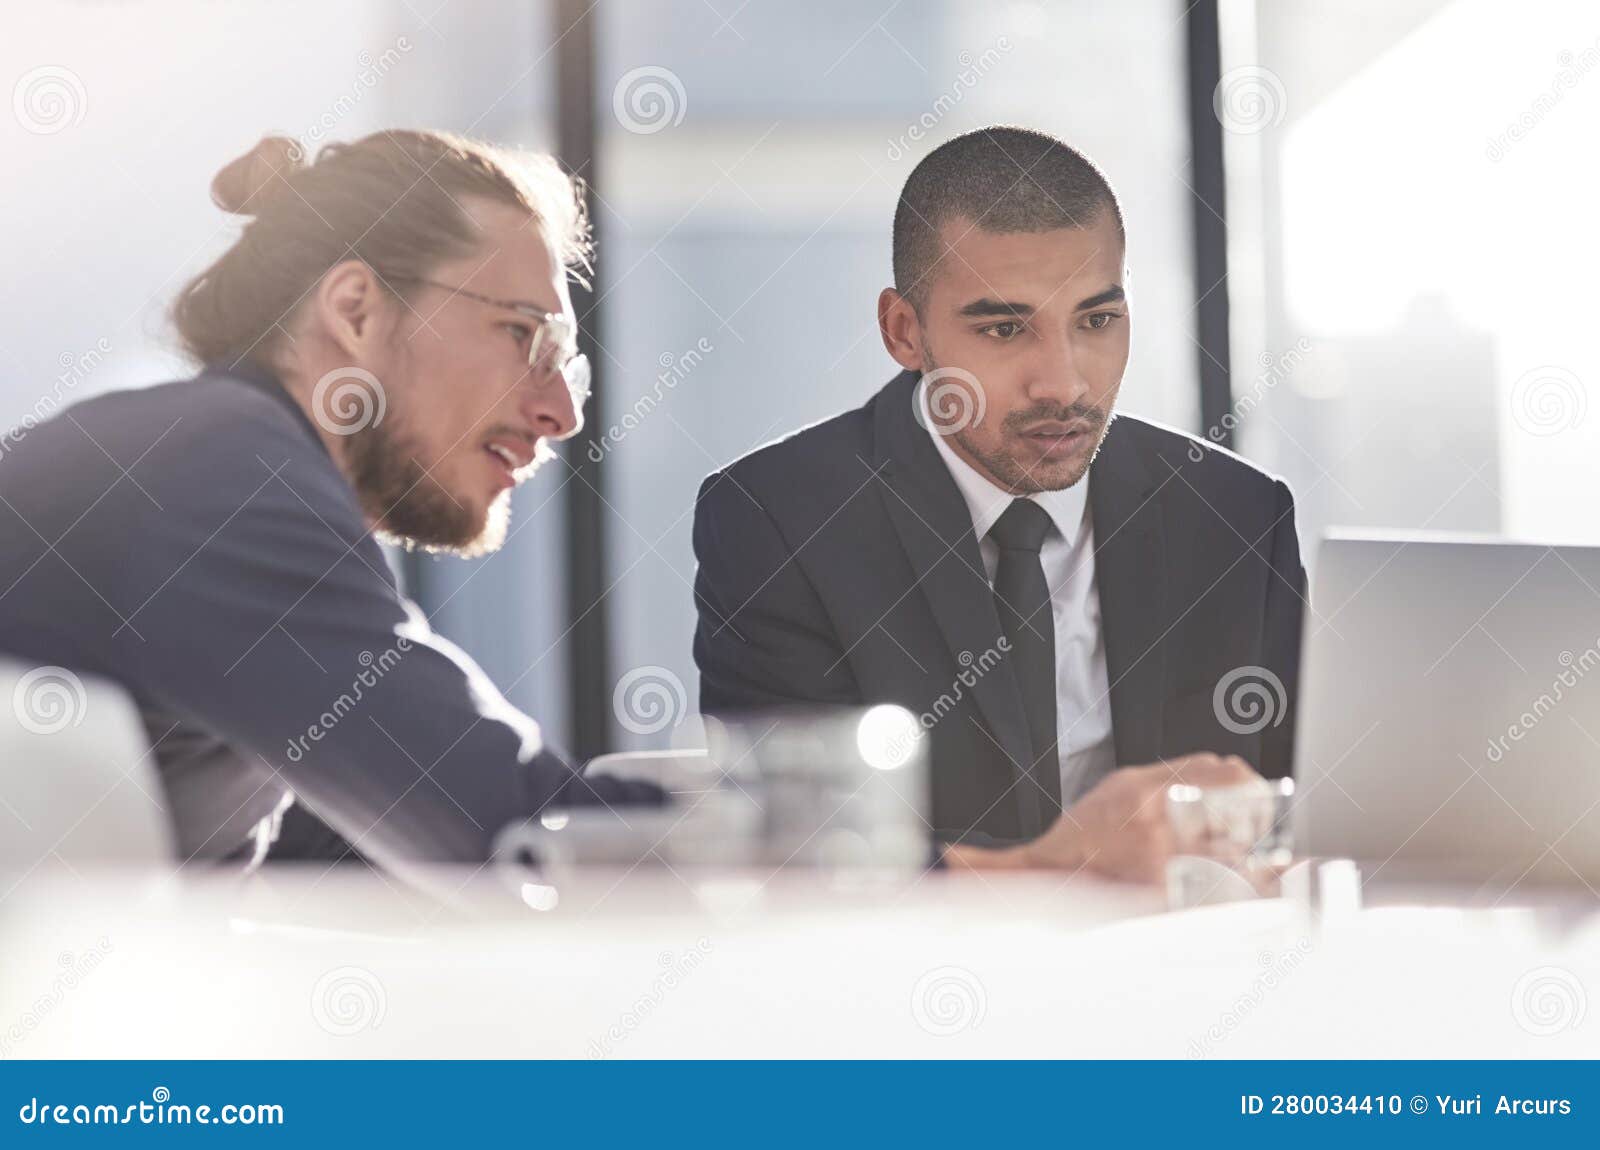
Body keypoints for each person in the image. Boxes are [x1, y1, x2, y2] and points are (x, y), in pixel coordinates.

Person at [0, 130, 661, 879]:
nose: (561, 415)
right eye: (522, 334)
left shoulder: (193, 464)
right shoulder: (225, 474)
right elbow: (510, 823)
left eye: (566, 365)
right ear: (355, 311)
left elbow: (347, 856)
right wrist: (761, 829)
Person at [692, 126, 1305, 879]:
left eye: (1097, 320)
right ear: (904, 332)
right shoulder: (776, 520)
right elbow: (793, 852)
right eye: (1006, 329)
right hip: (914, 953)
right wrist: (1057, 866)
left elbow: (1312, 809)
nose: (1064, 384)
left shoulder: (1238, 517)